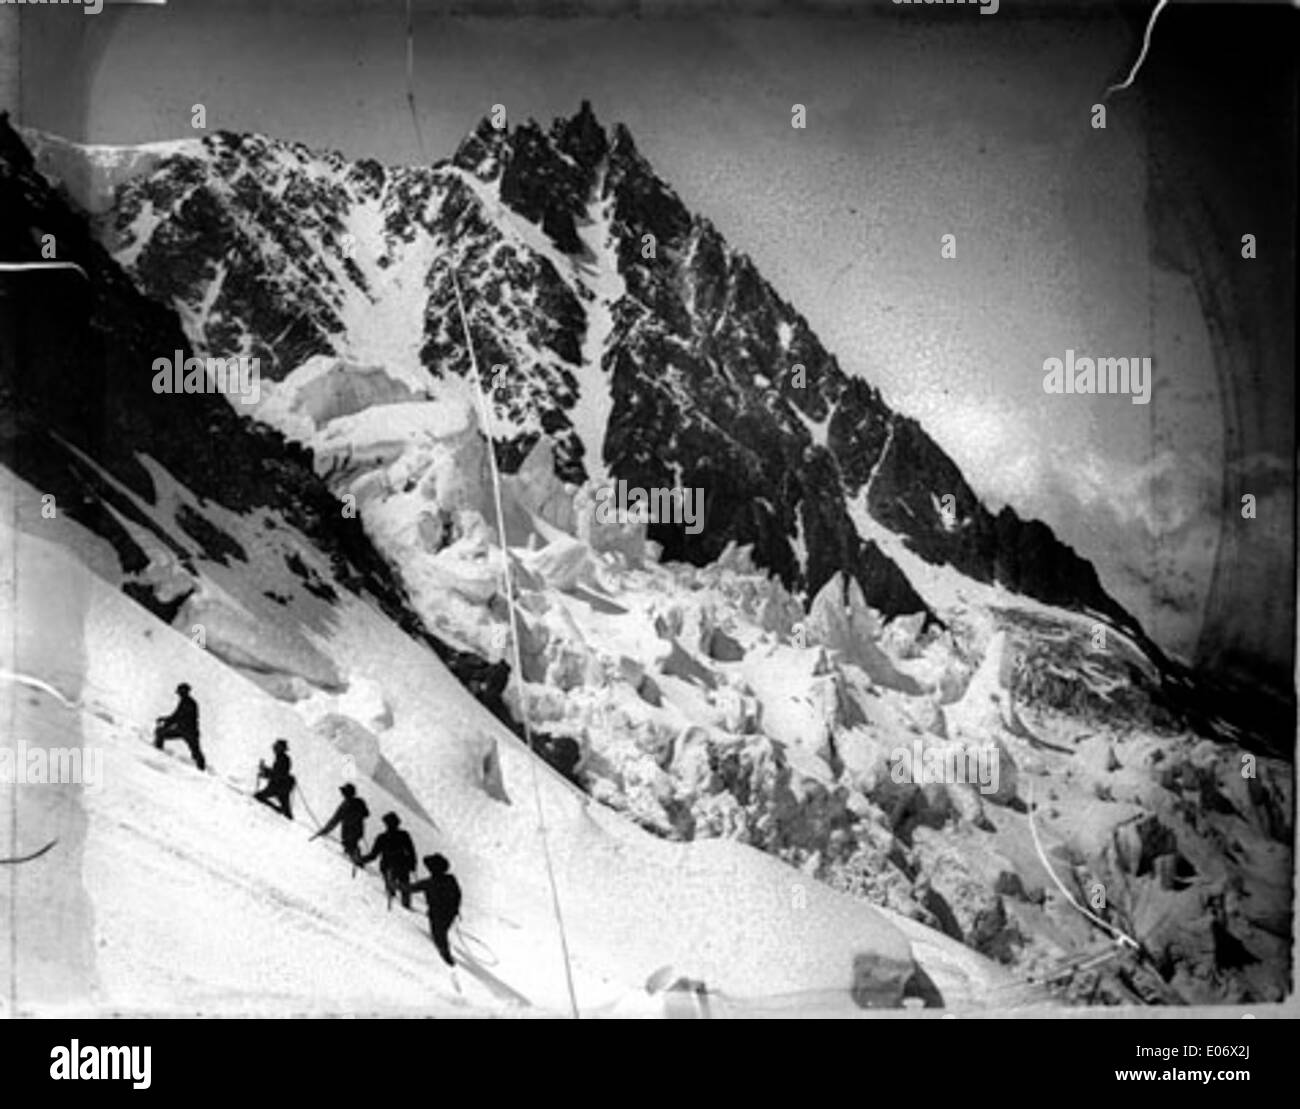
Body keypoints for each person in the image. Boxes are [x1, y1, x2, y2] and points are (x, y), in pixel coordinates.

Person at [407, 854, 462, 967]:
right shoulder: (451, 879)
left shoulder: (429, 883)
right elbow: (458, 895)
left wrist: (396, 885)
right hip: (450, 913)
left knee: (438, 935)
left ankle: (446, 959)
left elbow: (410, 888)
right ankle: (445, 954)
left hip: (436, 914)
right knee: (442, 933)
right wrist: (456, 909)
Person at [359, 812, 418, 909]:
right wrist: (413, 864)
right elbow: (411, 851)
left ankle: (395, 911)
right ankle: (406, 907)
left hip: (388, 867)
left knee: (391, 890)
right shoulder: (404, 835)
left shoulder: (382, 837)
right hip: (403, 865)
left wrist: (361, 860)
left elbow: (373, 855)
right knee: (405, 887)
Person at [311, 783, 369, 864]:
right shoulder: (359, 802)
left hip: (349, 832)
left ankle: (356, 861)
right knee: (351, 845)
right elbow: (366, 814)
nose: (342, 794)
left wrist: (324, 831)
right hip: (358, 830)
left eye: (344, 792)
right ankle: (355, 858)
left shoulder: (345, 805)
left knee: (350, 846)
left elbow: (335, 820)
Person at [154, 682, 206, 771]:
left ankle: (202, 772)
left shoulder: (190, 703)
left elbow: (179, 717)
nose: (179, 694)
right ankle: (157, 753)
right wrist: (165, 720)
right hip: (185, 730)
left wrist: (167, 722)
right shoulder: (185, 702)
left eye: (180, 692)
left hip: (188, 731)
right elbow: (176, 716)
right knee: (160, 732)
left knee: (196, 753)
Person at [254, 739, 294, 820]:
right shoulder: (283, 758)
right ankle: (288, 819)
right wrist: (265, 771)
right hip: (284, 786)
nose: (274, 749)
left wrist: (265, 773)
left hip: (278, 786)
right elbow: (277, 773)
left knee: (259, 796)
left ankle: (278, 810)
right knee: (286, 810)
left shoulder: (282, 759)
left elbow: (277, 774)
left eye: (276, 747)